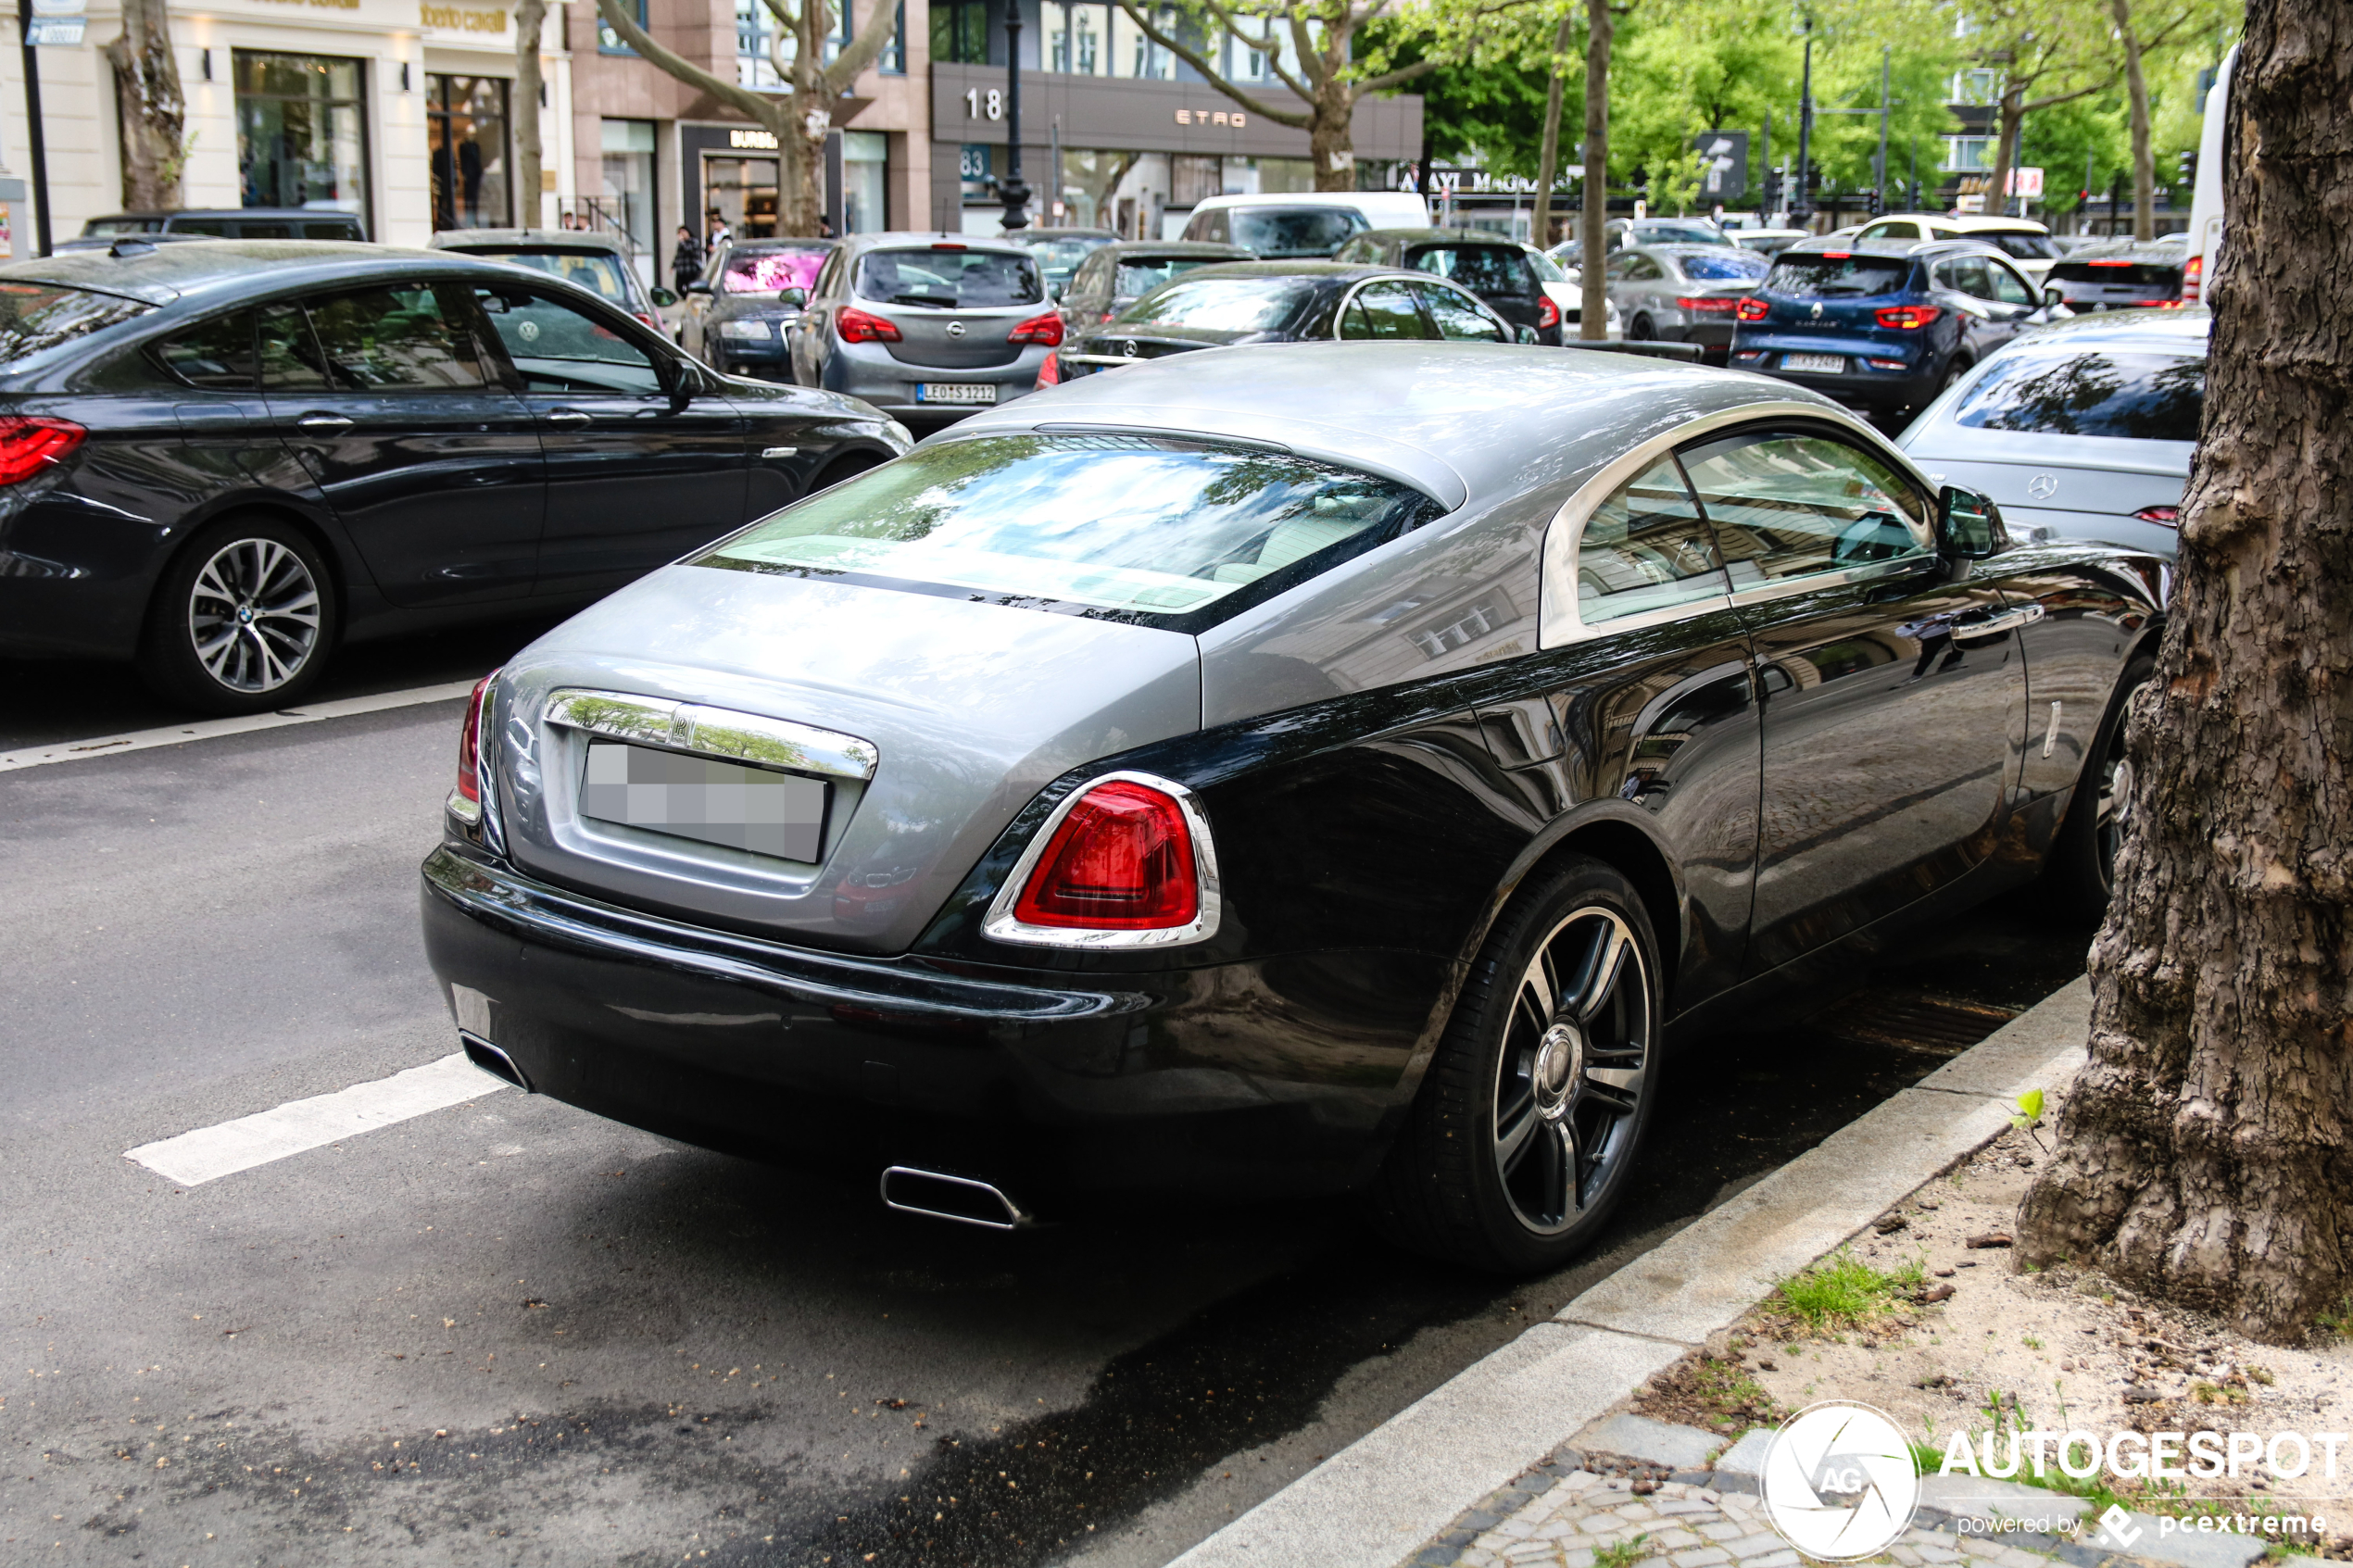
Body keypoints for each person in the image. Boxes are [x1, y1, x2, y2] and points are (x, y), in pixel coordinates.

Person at [672, 225, 703, 293]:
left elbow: (690, 251)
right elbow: (678, 255)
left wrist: (682, 242)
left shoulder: (694, 241)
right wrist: (673, 265)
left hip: (691, 269)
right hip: (681, 269)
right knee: (678, 287)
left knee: (690, 287)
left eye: (683, 232)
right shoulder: (681, 243)